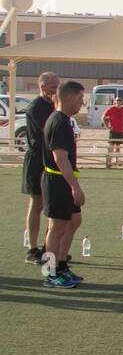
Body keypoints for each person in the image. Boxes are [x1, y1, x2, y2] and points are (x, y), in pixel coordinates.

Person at [40, 81, 88, 289]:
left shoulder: (65, 121)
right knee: (57, 226)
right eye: (80, 98)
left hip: (64, 179)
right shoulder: (58, 122)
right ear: (68, 98)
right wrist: (74, 186)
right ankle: (50, 273)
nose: (82, 103)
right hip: (56, 180)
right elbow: (60, 159)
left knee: (74, 220)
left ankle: (60, 265)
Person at [21, 71, 58, 264]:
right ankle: (32, 249)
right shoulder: (36, 107)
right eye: (53, 87)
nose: (56, 90)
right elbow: (47, 133)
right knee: (36, 204)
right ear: (43, 87)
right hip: (37, 161)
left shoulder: (55, 106)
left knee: (51, 205)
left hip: (51, 161)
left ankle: (49, 246)